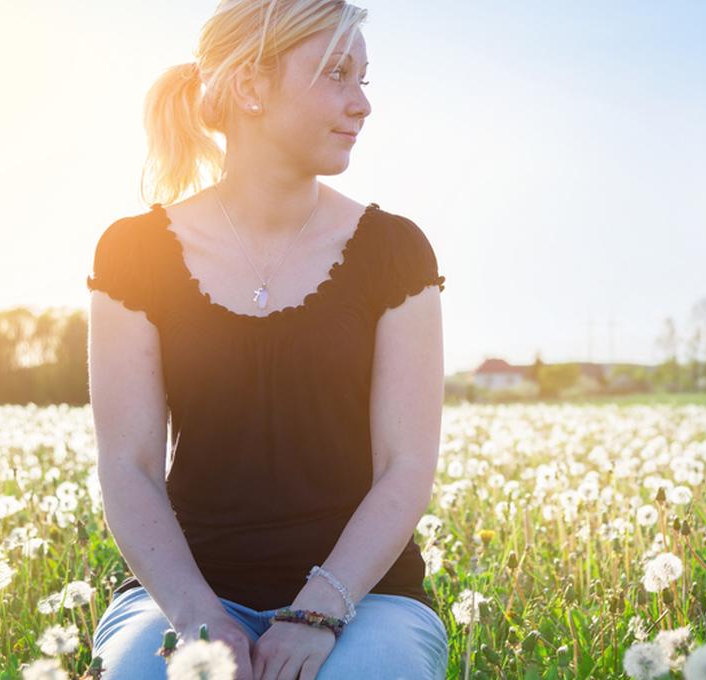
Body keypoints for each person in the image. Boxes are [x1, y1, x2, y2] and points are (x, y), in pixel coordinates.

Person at [84, 1, 448, 678]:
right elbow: (129, 467)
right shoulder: (133, 252)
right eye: (338, 74)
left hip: (367, 598)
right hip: (182, 594)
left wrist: (317, 611)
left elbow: (406, 463)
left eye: (366, 79)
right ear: (250, 87)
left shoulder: (397, 250)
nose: (361, 104)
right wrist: (200, 615)